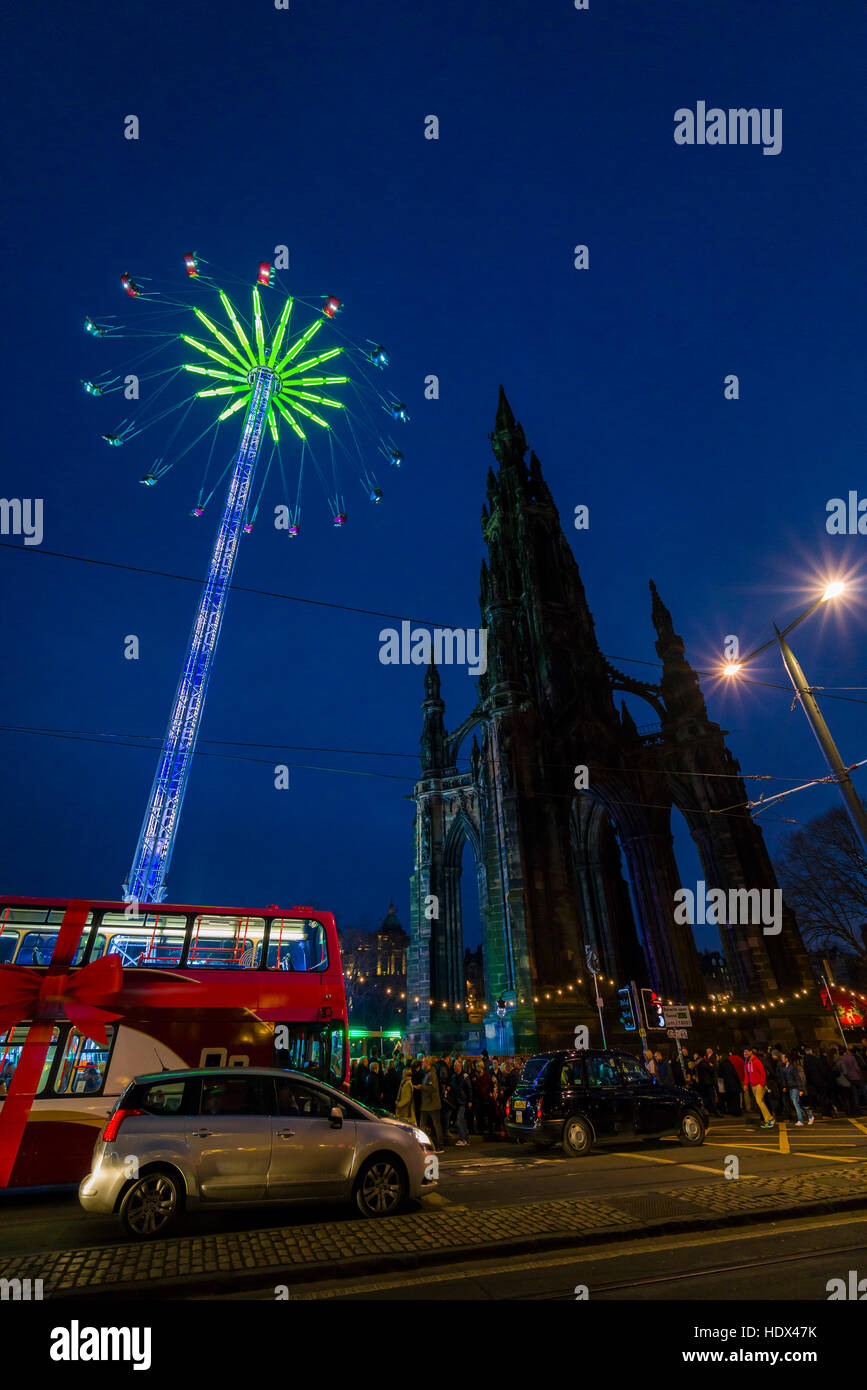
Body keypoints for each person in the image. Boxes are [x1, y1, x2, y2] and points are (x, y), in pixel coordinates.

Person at [744, 1047, 774, 1128]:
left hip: (759, 1084)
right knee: (760, 1102)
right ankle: (768, 1119)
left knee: (759, 1101)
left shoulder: (756, 1061)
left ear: (751, 1052)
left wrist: (762, 1084)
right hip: (752, 1085)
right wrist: (746, 1084)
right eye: (744, 1053)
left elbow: (763, 1072)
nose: (745, 1054)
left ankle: (770, 1119)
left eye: (746, 1052)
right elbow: (747, 1074)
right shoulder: (746, 1062)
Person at [781, 1052, 814, 1126]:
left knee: (796, 1104)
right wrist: (784, 1087)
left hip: (795, 1088)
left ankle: (800, 1120)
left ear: (787, 1059)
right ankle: (810, 1116)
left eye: (783, 1058)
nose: (782, 1059)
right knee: (797, 1104)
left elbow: (798, 1078)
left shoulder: (792, 1068)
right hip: (790, 1088)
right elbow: (785, 1079)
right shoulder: (784, 1068)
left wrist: (801, 1089)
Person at [420, 1056, 444, 1151]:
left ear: (427, 1064)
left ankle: (440, 1145)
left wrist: (421, 1087)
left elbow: (432, 1088)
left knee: (436, 1124)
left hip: (432, 1104)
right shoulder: (428, 1074)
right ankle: (424, 1144)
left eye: (423, 1063)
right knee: (423, 1124)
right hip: (427, 1104)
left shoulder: (432, 1074)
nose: (422, 1064)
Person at [449, 1060, 471, 1145]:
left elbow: (469, 1088)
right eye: (454, 1066)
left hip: (463, 1102)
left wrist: (470, 1100)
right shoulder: (454, 1076)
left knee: (459, 1120)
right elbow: (452, 1085)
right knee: (461, 1121)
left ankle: (462, 1139)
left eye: (456, 1066)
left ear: (460, 1066)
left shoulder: (465, 1076)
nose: (455, 1067)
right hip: (456, 1102)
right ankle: (466, 1139)